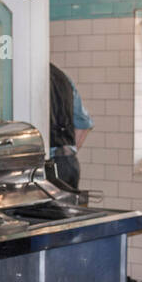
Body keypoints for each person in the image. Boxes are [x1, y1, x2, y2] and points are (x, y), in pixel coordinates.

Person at [49, 63, 93, 191]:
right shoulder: (62, 77)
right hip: (67, 164)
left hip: (42, 168)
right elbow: (83, 125)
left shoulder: (23, 76)